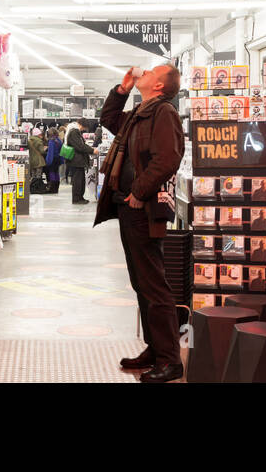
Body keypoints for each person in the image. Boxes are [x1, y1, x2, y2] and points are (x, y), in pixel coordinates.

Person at [95, 64, 185, 383]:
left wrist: (138, 190)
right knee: (140, 283)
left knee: (153, 285)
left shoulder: (163, 113)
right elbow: (108, 120)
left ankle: (171, 360)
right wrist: (121, 90)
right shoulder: (140, 112)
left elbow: (168, 158)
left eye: (150, 72)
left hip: (143, 208)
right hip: (128, 208)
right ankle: (156, 349)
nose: (142, 72)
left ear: (159, 86)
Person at [65, 121, 94, 204]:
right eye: (83, 128)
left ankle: (80, 197)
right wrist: (92, 150)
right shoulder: (74, 132)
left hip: (77, 160)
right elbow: (80, 146)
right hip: (76, 161)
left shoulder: (73, 131)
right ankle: (77, 199)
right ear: (81, 125)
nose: (83, 130)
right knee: (78, 180)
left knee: (80, 180)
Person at [44, 127, 62, 195]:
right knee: (56, 173)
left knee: (51, 173)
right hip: (58, 159)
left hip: (53, 159)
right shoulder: (59, 140)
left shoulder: (51, 141)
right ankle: (56, 188)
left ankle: (52, 188)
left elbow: (50, 153)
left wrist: (48, 161)